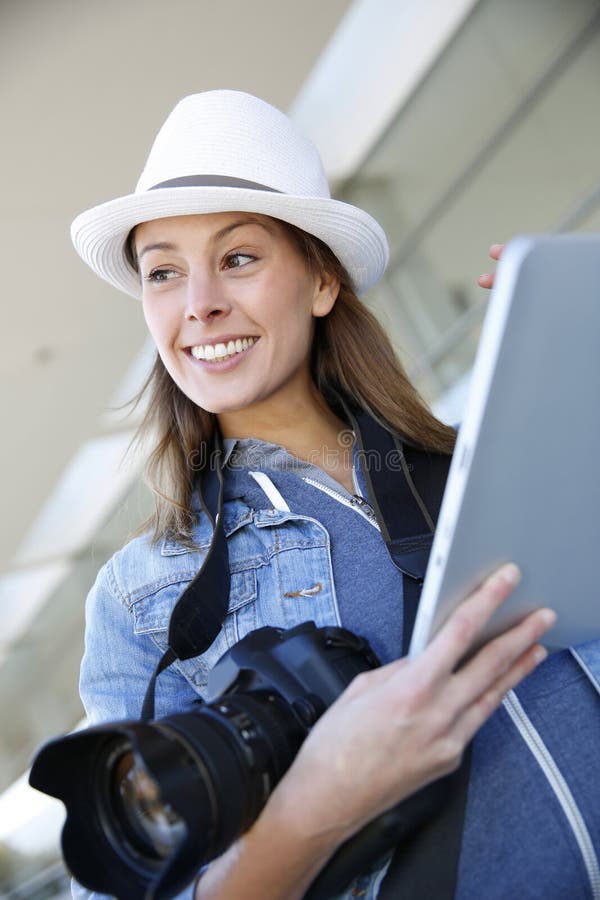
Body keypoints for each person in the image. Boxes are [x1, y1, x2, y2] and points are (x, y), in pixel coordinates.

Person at [70, 91, 599, 899]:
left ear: (321, 280)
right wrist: (314, 809)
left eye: (239, 257)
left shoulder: (487, 462)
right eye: (163, 271)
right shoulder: (144, 598)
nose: (198, 302)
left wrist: (572, 389)